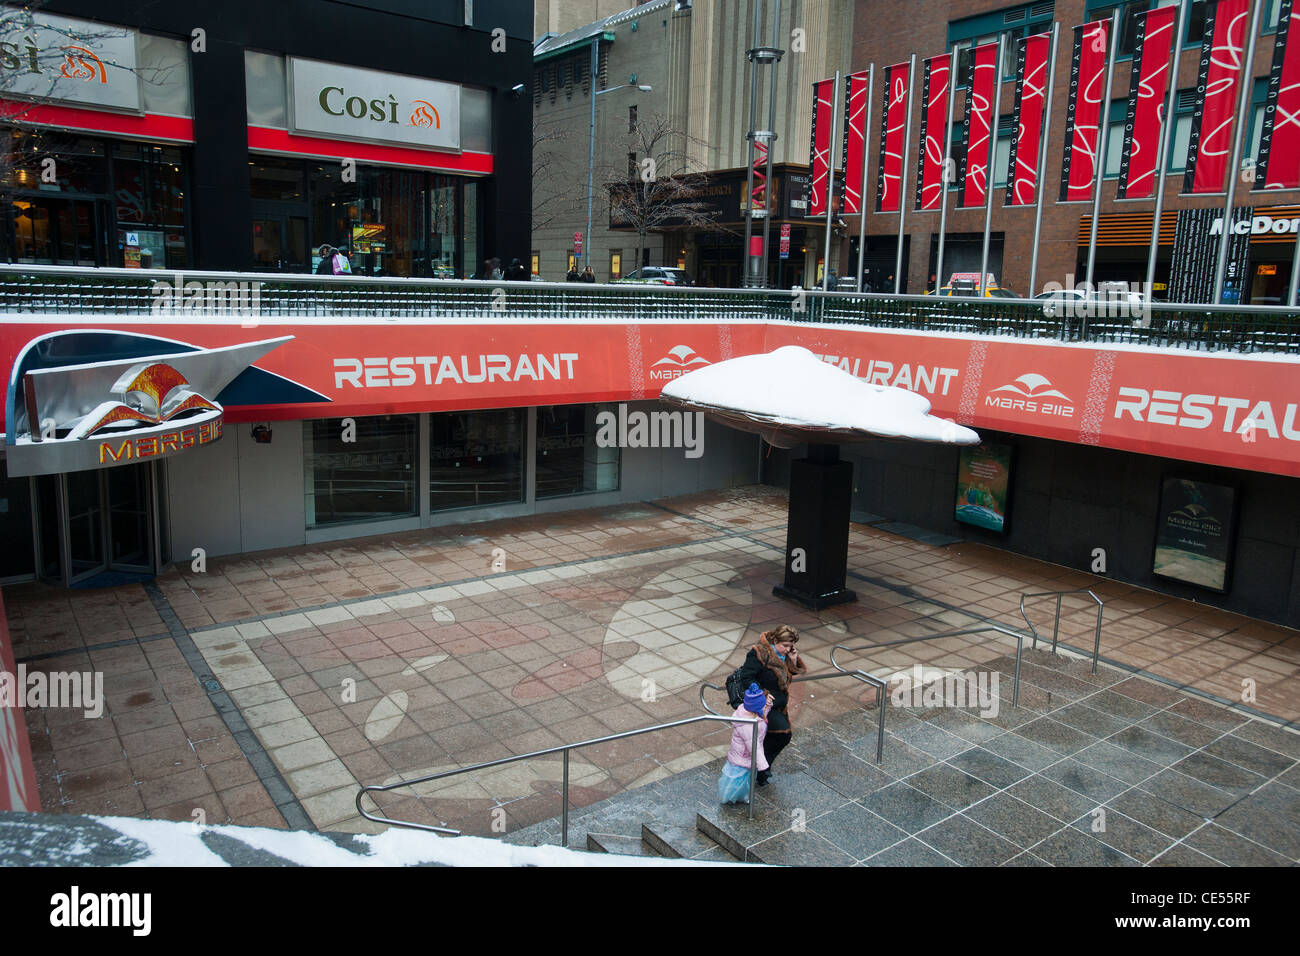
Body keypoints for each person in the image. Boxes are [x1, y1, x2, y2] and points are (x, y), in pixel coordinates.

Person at [731, 624, 806, 783]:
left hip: (778, 705)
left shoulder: (785, 656)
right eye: (785, 645)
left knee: (773, 736)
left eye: (790, 646)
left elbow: (785, 678)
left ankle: (760, 769)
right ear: (775, 640)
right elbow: (746, 677)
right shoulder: (759, 653)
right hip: (762, 705)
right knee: (783, 734)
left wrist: (792, 662)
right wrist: (763, 694)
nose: (787, 649)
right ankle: (760, 768)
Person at [718, 683, 773, 805]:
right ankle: (730, 799)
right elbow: (754, 746)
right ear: (756, 708)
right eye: (763, 705)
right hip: (742, 758)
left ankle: (741, 797)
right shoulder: (748, 725)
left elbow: (763, 714)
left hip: (745, 757)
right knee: (737, 783)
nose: (764, 708)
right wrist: (762, 764)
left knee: (745, 781)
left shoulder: (752, 713)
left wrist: (767, 704)